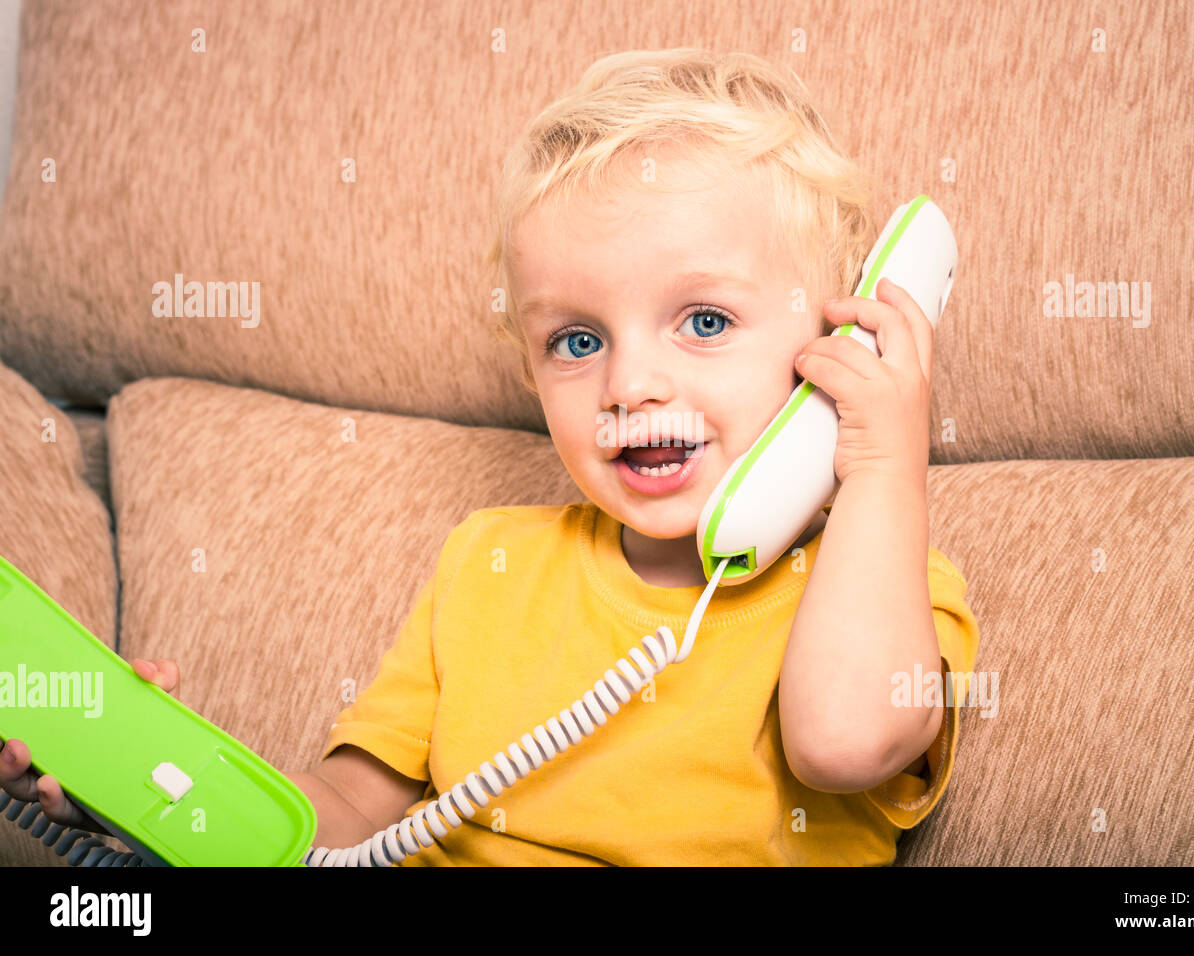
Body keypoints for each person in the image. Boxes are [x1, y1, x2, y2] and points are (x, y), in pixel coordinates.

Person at [2, 47, 979, 866]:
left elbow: (845, 739)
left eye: (706, 319)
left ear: (837, 343)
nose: (628, 384)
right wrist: (182, 799)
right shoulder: (488, 562)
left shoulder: (885, 581)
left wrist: (882, 469)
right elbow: (355, 805)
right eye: (577, 340)